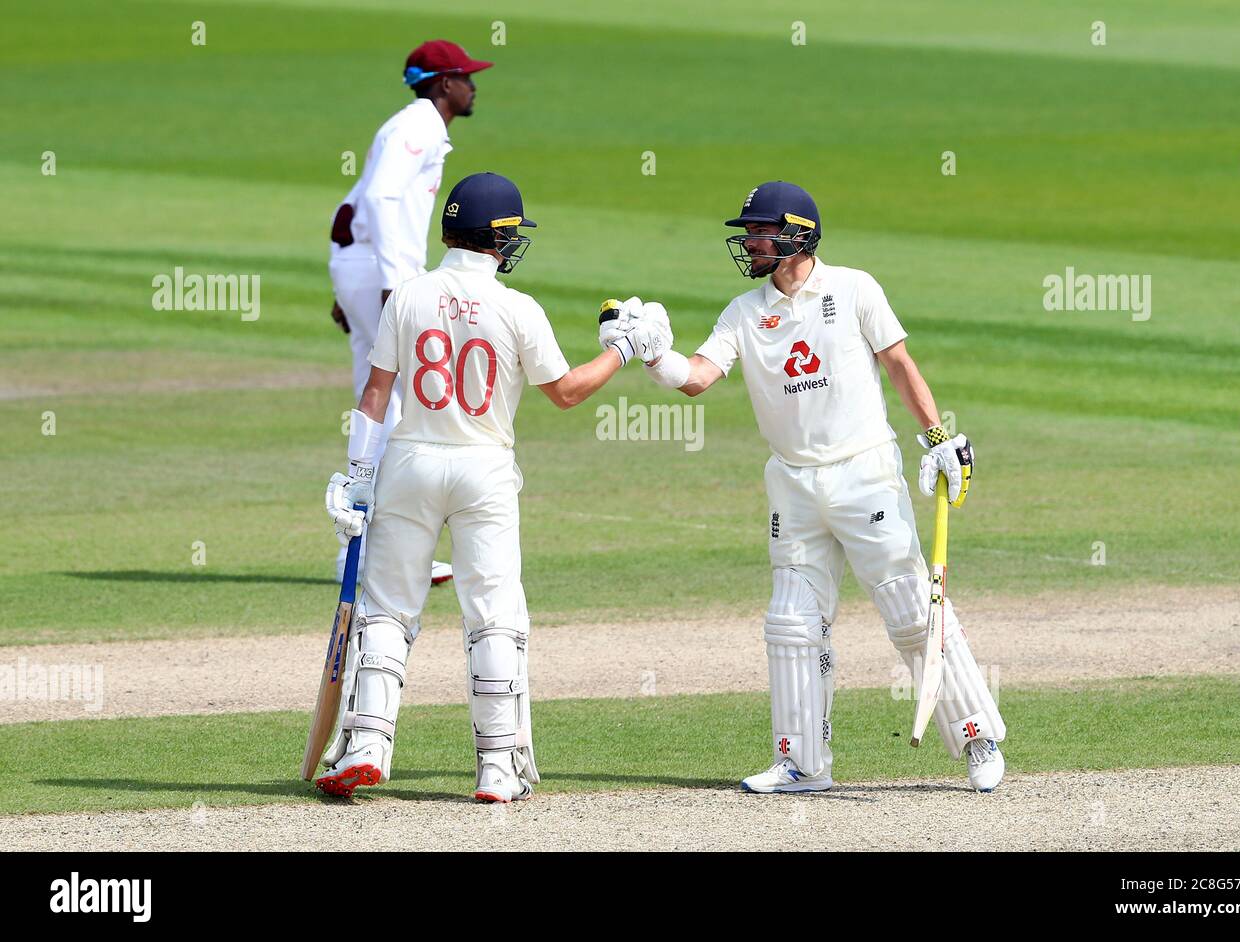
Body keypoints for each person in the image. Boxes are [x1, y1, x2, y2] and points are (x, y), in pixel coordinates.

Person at [630, 181, 1007, 793]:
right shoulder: (744, 312)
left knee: (912, 610)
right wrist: (654, 357)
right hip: (792, 484)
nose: (749, 242)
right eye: (747, 232)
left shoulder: (855, 287)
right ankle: (801, 762)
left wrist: (938, 438)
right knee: (792, 622)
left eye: (759, 231)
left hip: (864, 472)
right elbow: (698, 377)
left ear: (797, 235)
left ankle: (978, 737)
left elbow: (900, 364)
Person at [319, 172, 665, 801]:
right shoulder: (517, 307)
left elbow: (375, 394)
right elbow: (565, 393)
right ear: (500, 238)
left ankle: (369, 743)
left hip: (411, 462)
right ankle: (498, 768)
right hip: (484, 470)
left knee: (388, 609)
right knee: (494, 617)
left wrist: (359, 477)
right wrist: (625, 349)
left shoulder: (409, 295)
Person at [326, 39, 492, 585]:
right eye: (466, 77)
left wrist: (354, 279)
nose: (474, 86)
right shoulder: (414, 127)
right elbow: (377, 198)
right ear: (444, 84)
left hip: (365, 267)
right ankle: (382, 549)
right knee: (396, 401)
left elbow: (360, 203)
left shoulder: (418, 127)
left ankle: (364, 544)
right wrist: (394, 285)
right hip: (379, 273)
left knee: (378, 397)